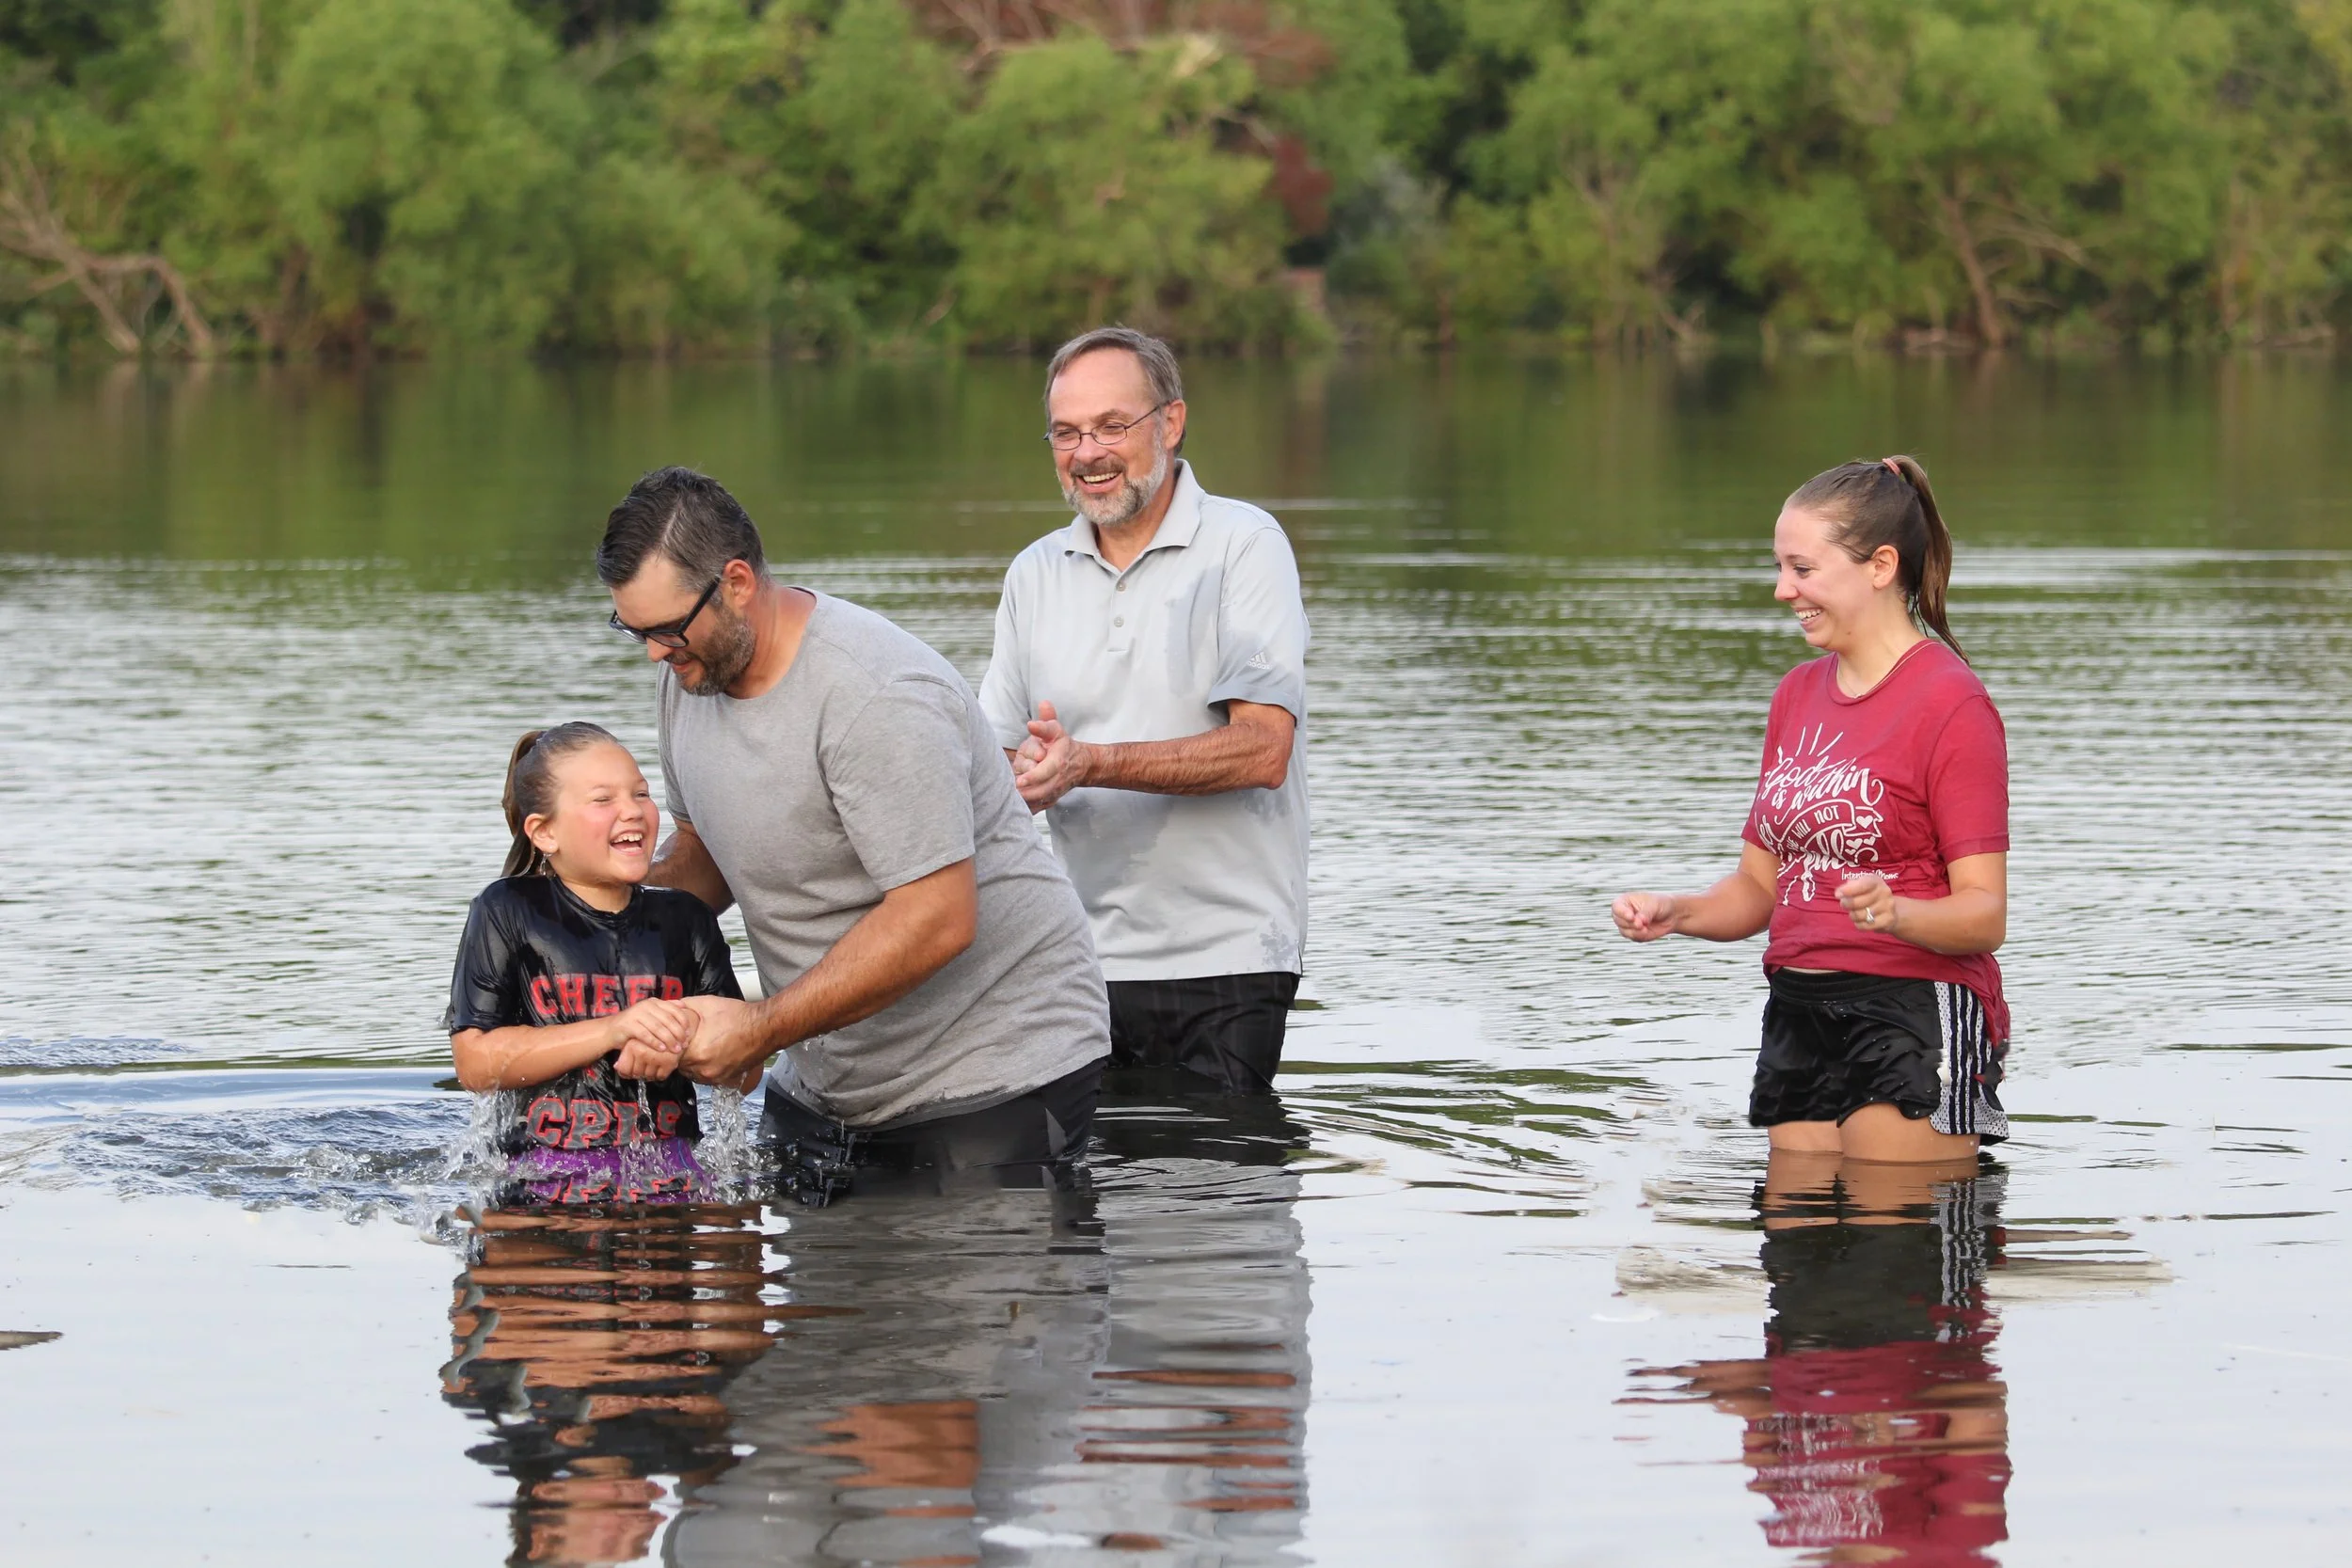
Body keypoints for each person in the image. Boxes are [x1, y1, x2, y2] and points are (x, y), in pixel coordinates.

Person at [596, 467, 1109, 1194]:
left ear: (737, 582)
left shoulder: (873, 695)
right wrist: (579, 914)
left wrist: (761, 1027)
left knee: (960, 1297)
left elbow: (938, 916)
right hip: (824, 1076)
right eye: (635, 630)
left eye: (667, 629)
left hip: (996, 1068)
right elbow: (707, 859)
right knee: (826, 1301)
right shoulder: (691, 675)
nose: (654, 652)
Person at [1612, 455, 2010, 1161]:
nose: (1781, 589)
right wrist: (1680, 911)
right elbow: (1758, 889)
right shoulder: (1795, 695)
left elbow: (1985, 913)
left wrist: (1899, 912)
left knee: (1890, 1256)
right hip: (1798, 1007)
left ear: (1880, 565)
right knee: (1794, 1258)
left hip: (1912, 1006)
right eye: (1781, 567)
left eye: (1802, 568)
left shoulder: (1953, 702)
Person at [978, 326, 1311, 1095]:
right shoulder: (1033, 573)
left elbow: (1262, 750)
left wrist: (1089, 762)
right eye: (1067, 432)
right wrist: (1019, 772)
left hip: (1229, 958)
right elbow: (990, 761)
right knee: (1088, 1205)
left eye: (1111, 426)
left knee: (1215, 1203)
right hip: (1073, 960)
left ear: (1171, 422)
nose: (1088, 452)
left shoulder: (1245, 544)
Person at [446, 722, 746, 1204]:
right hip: (539, 1173)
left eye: (642, 793)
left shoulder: (686, 918)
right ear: (544, 832)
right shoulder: (507, 910)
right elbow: (476, 1063)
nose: (633, 810)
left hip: (673, 1169)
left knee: (738, 1238)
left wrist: (677, 1037)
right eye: (603, 800)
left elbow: (745, 1072)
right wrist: (616, 1030)